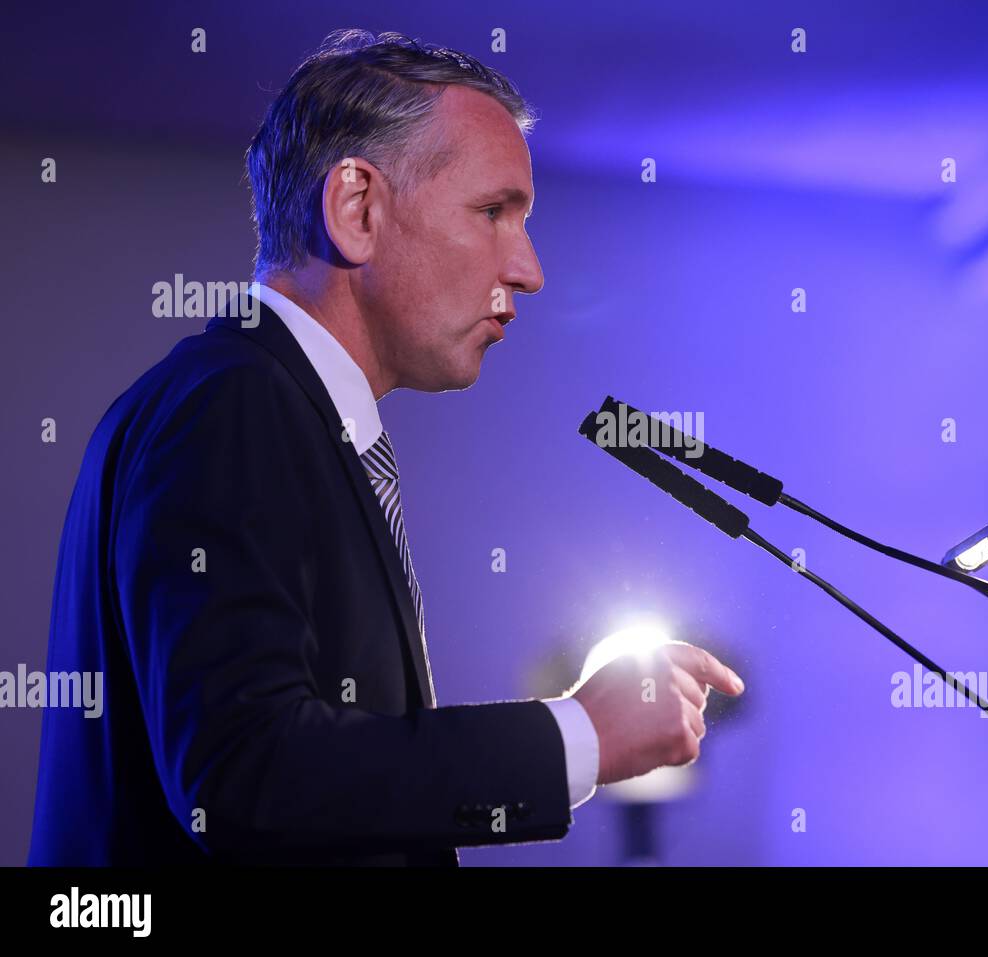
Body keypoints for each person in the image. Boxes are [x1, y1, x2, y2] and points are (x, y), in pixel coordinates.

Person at [28, 29, 743, 866]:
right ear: (357, 208)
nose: (530, 268)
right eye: (493, 212)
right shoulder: (235, 405)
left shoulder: (267, 407)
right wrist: (579, 733)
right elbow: (242, 774)